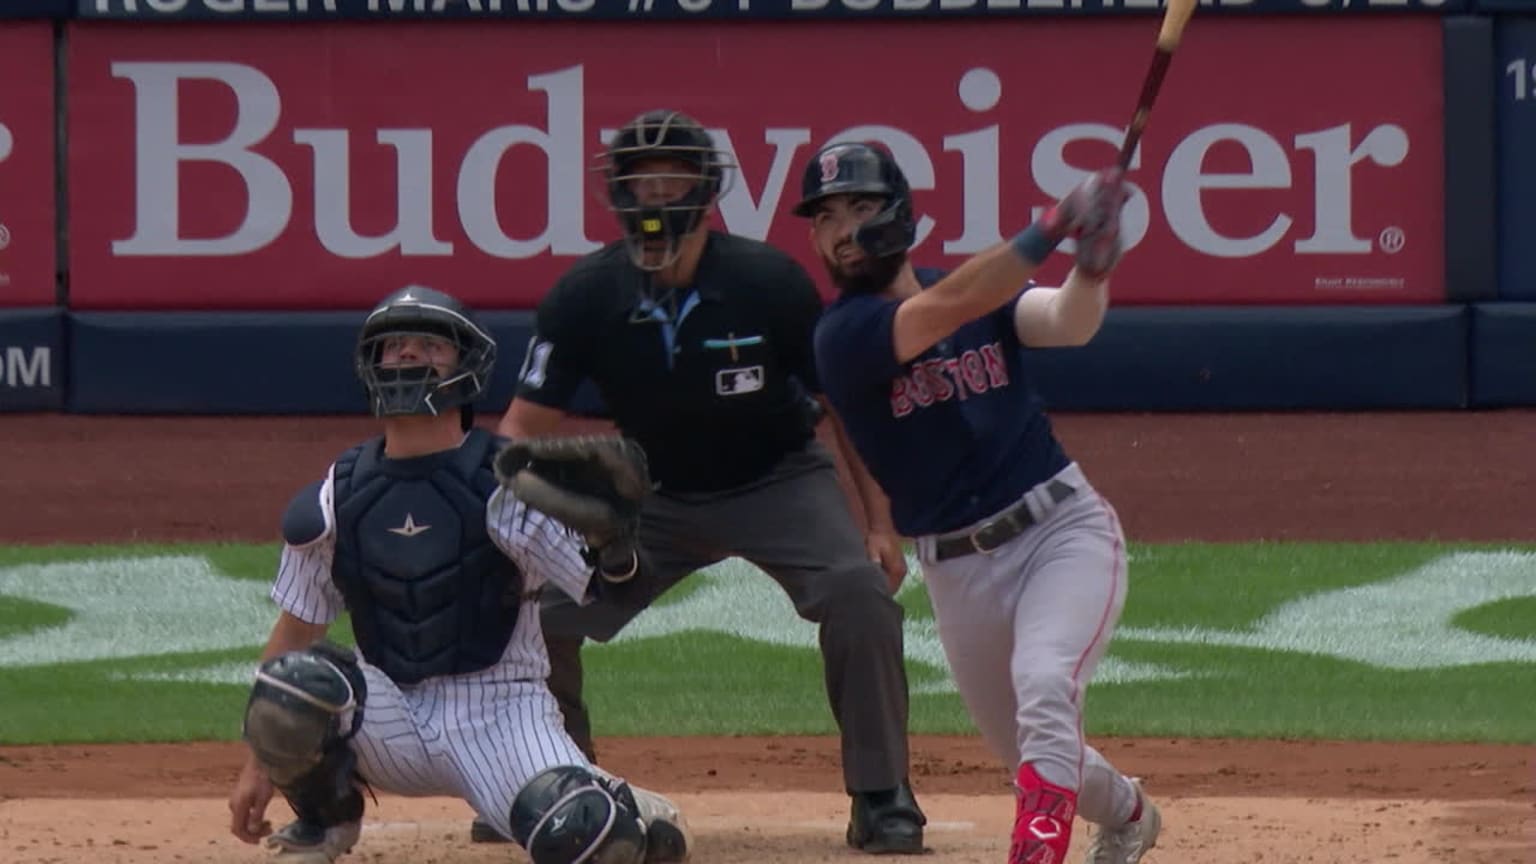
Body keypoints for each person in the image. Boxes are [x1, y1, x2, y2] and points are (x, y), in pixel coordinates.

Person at [491, 109, 926, 855]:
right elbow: (519, 429)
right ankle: (551, 782)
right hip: (648, 495)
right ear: (618, 193)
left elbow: (843, 405)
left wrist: (880, 523)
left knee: (860, 592)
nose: (656, 193)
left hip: (778, 478)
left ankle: (882, 794)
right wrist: (510, 534)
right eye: (641, 180)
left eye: (674, 178)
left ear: (705, 191)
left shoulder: (768, 281)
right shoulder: (586, 295)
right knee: (537, 610)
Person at [789, 141, 1163, 864]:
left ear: (899, 213)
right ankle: (1129, 812)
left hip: (1060, 529)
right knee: (1029, 747)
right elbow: (951, 305)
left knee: (1045, 681)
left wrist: (1092, 268)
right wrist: (1056, 222)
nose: (840, 229)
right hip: (957, 571)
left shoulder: (972, 294)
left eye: (859, 207)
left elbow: (1067, 323)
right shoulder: (842, 336)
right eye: (825, 216)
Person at [226, 284, 691, 864]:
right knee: (290, 684)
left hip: (502, 717)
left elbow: (611, 595)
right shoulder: (337, 493)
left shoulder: (510, 485)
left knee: (588, 838)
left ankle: (614, 802)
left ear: (466, 365)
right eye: (393, 346)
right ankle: (325, 823)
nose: (407, 356)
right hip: (391, 714)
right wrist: (260, 765)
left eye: (428, 345)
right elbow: (296, 627)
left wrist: (615, 546)